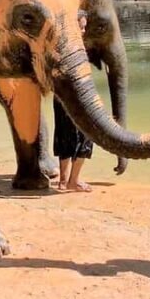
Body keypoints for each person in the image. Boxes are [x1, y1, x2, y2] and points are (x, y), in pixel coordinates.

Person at [53, 10, 94, 192]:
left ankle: (63, 181)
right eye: (81, 27)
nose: (83, 31)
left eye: (84, 27)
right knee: (86, 136)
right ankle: (74, 180)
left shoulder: (56, 44)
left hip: (60, 96)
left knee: (64, 135)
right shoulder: (75, 47)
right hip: (79, 97)